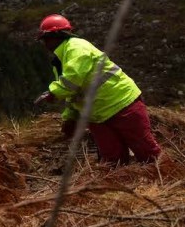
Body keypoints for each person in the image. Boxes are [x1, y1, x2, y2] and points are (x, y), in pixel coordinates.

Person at [33, 14, 162, 165]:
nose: (44, 44)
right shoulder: (61, 59)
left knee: (146, 151)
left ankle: (165, 181)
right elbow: (74, 94)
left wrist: (52, 93)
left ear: (54, 36)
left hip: (122, 104)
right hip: (98, 115)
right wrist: (70, 117)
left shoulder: (76, 48)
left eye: (45, 39)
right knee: (112, 160)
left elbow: (73, 79)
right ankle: (121, 187)